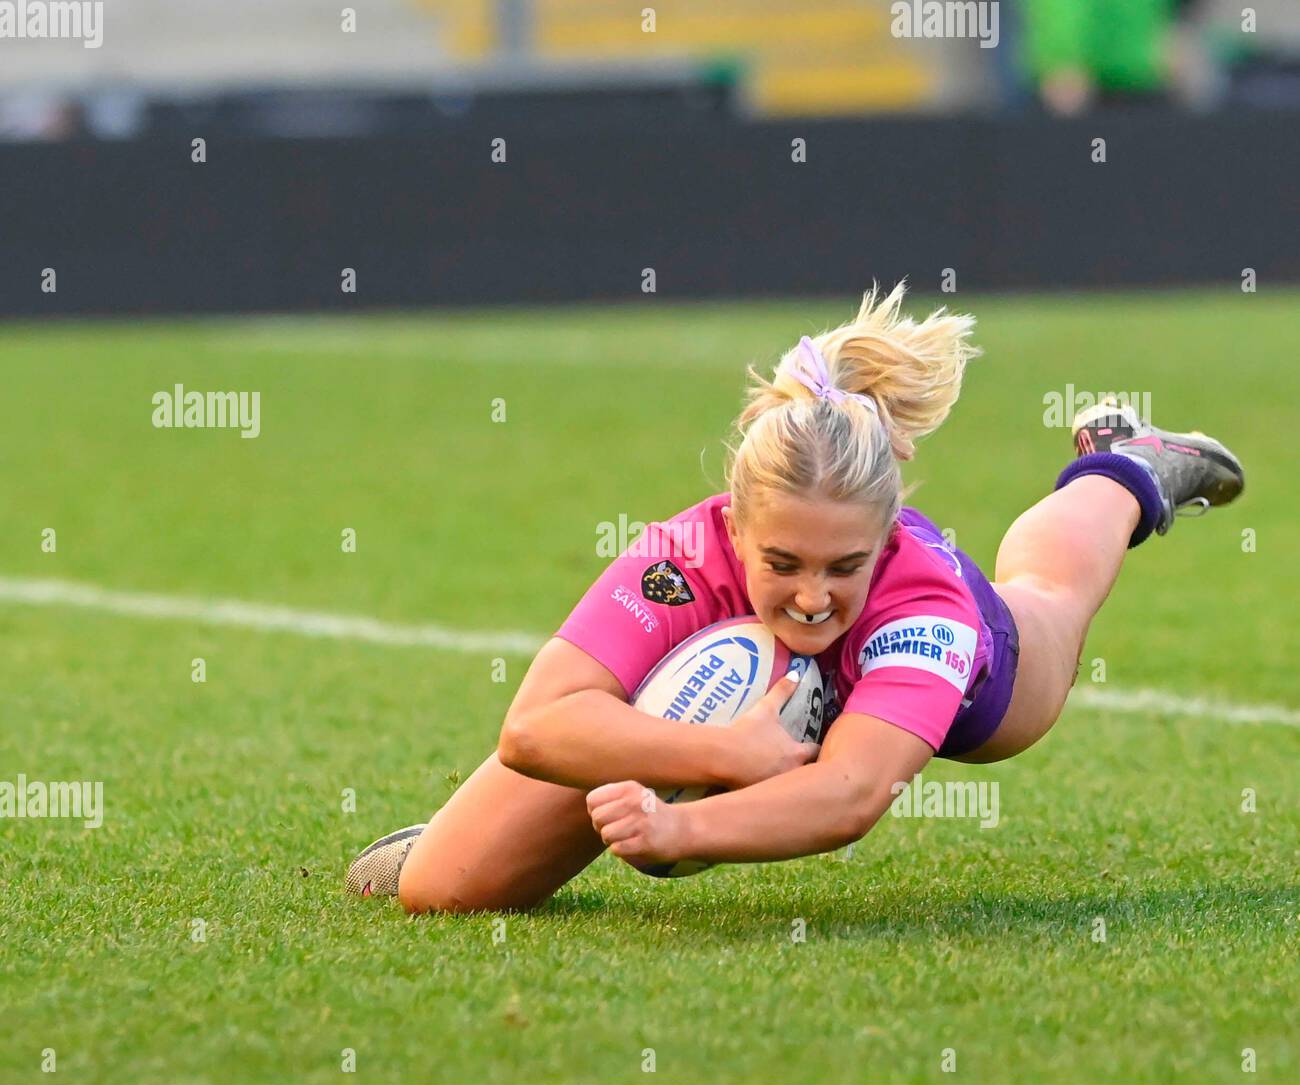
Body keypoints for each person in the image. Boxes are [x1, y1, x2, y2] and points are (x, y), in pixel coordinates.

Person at [346, 283, 1243, 911]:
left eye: (844, 566)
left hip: (982, 694)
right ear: (734, 526)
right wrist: (716, 750)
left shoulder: (925, 605)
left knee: (1047, 588)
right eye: (782, 562)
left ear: (887, 539)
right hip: (724, 729)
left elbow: (850, 792)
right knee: (442, 891)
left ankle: (1125, 465)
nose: (813, 598)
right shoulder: (681, 553)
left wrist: (676, 831)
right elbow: (535, 727)